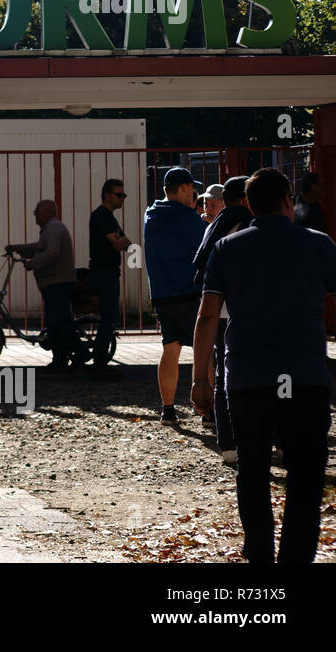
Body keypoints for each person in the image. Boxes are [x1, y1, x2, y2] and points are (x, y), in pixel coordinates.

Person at [192, 168, 334, 564]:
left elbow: (207, 317)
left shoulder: (227, 248)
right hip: (303, 375)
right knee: (305, 474)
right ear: (289, 201)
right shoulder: (319, 245)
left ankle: (259, 554)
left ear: (250, 206)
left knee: (252, 471)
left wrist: (200, 377)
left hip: (246, 378)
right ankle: (296, 558)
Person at [192, 175, 252, 464]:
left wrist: (196, 378)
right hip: (238, 310)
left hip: (218, 308)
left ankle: (227, 443)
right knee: (240, 374)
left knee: (221, 373)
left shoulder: (213, 225)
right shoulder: (244, 224)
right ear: (245, 199)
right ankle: (248, 439)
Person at [143, 167, 207, 425]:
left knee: (170, 350)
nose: (195, 194)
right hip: (189, 293)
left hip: (161, 295)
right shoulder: (189, 219)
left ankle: (168, 410)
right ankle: (207, 409)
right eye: (192, 188)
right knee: (206, 351)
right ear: (182, 188)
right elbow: (205, 248)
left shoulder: (151, 215)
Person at [7, 199, 79, 371]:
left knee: (58, 322)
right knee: (56, 323)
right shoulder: (50, 229)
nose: (34, 215)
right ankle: (59, 360)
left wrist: (33, 263)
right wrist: (18, 248)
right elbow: (39, 247)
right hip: (53, 283)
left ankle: (79, 353)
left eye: (36, 211)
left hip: (58, 283)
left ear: (46, 211)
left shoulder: (54, 228)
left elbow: (51, 253)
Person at [87, 179, 129, 380]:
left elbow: (125, 242)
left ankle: (100, 361)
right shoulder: (102, 216)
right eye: (119, 194)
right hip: (104, 273)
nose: (122, 198)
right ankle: (100, 363)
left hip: (107, 272)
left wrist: (121, 241)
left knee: (108, 318)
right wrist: (120, 241)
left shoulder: (108, 217)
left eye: (123, 195)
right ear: (107, 195)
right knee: (108, 318)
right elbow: (119, 242)